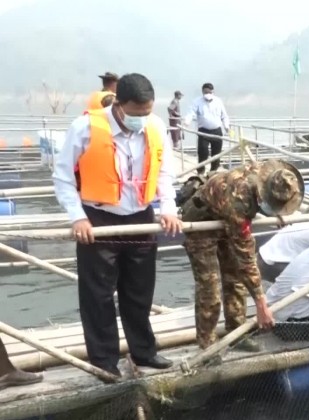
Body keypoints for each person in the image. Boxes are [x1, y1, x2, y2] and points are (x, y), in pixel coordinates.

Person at [53, 73, 182, 376]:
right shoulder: (84, 128)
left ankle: (144, 352)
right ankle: (103, 361)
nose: (142, 119)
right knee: (97, 295)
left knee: (139, 291)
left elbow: (164, 173)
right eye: (137, 113)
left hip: (140, 219)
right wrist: (77, 217)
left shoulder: (156, 127)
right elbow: (62, 177)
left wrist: (168, 208)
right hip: (98, 220)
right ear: (119, 105)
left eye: (147, 112)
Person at [181, 159, 305, 351]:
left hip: (225, 218)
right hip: (201, 223)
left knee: (235, 280)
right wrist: (261, 305)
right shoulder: (239, 203)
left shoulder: (269, 174)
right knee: (209, 288)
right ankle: (208, 344)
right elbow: (246, 259)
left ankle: (236, 332)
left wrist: (278, 211)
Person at [184, 82, 230, 174]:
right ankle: (200, 172)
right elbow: (191, 113)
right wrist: (186, 122)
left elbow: (224, 116)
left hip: (216, 131)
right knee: (202, 152)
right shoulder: (197, 101)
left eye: (209, 92)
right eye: (205, 92)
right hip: (203, 131)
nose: (207, 94)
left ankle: (213, 171)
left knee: (216, 154)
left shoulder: (218, 101)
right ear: (202, 92)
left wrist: (226, 126)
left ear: (213, 92)